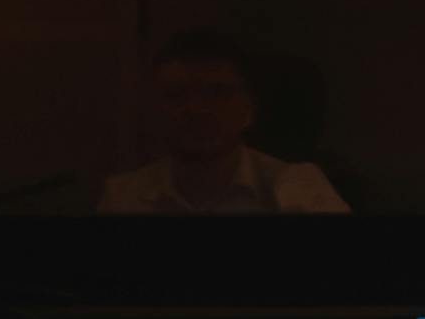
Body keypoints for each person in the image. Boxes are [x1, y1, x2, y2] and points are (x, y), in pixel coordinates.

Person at [100, 30, 347, 216]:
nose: (196, 110)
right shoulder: (124, 197)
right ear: (155, 110)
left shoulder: (296, 187)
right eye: (177, 95)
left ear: (248, 109)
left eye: (217, 93)